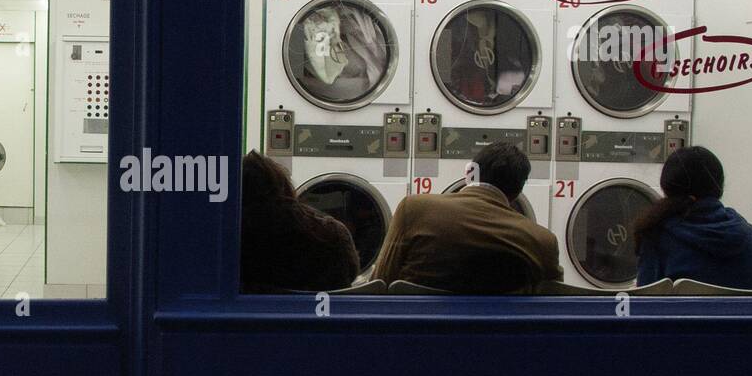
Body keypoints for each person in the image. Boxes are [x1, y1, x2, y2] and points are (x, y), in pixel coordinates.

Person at [371, 142, 562, 294]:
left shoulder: (414, 209)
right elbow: (554, 301)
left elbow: (380, 282)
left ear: (470, 173)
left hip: (417, 333)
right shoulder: (543, 240)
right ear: (518, 190)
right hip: (498, 338)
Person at [634, 145, 752, 289]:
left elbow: (645, 304)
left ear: (667, 187)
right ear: (719, 185)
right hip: (750, 315)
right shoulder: (749, 234)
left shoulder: (657, 236)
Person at [240, 150, 360, 293]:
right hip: (322, 313)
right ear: (286, 187)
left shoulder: (230, 239)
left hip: (252, 314)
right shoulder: (334, 234)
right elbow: (351, 274)